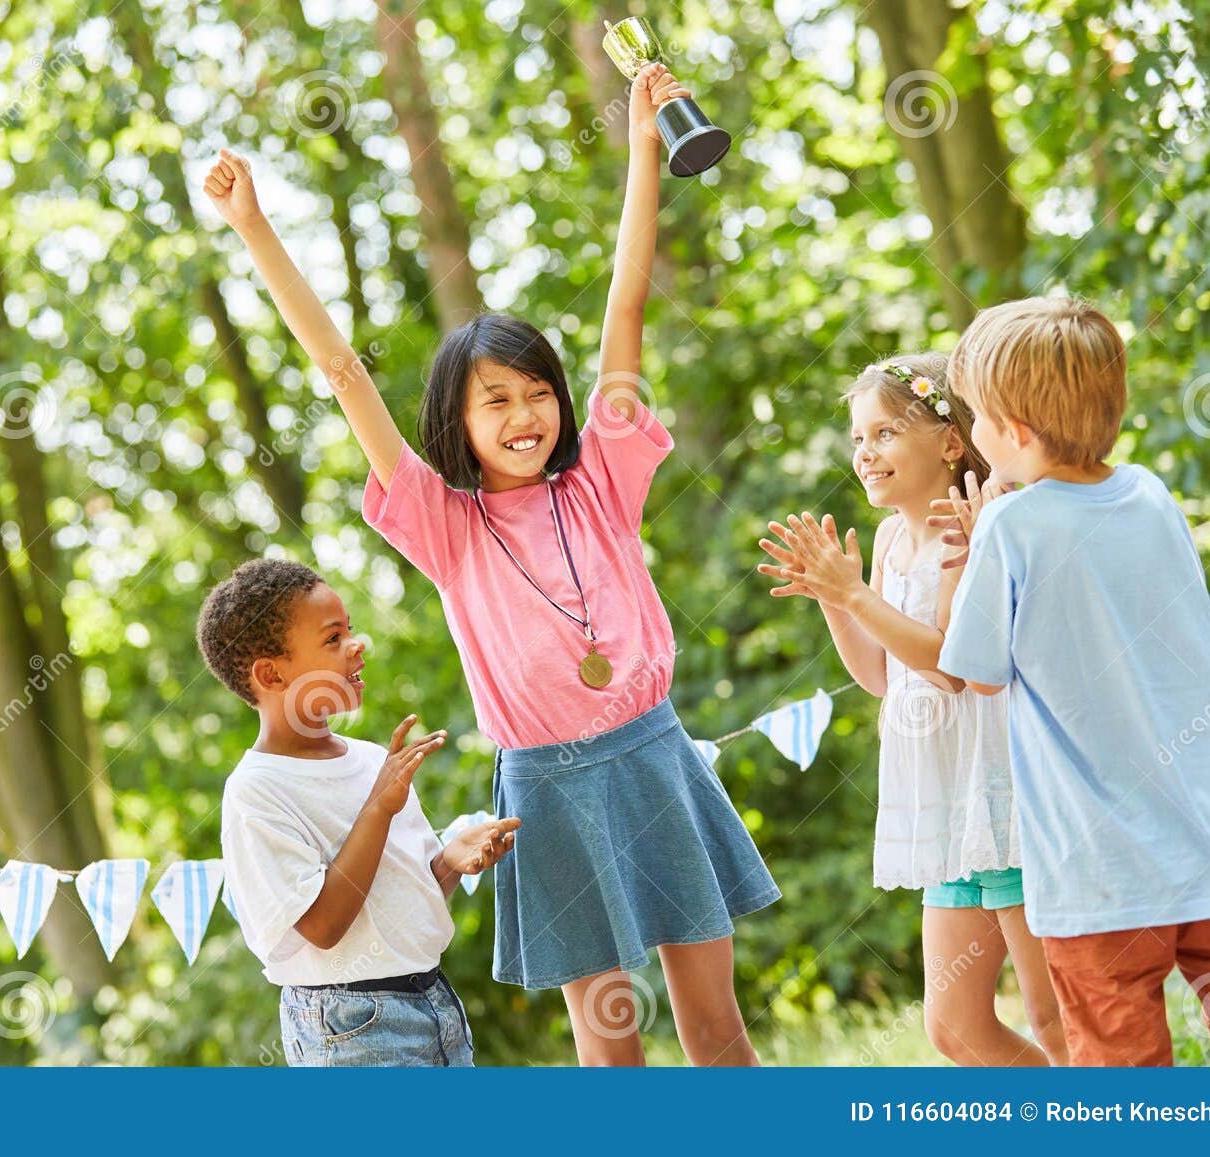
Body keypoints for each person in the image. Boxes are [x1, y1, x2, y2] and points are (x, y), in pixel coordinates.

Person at [203, 63, 779, 1066]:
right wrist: (256, 229)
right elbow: (343, 375)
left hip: (654, 751)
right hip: (547, 786)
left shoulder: (599, 482)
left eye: (536, 392)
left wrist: (643, 145)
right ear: (456, 425)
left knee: (716, 1025)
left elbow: (627, 303)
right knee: (611, 1043)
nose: (524, 415)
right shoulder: (447, 526)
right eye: (495, 400)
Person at [935, 295, 1210, 1066]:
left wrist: (976, 545)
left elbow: (975, 675)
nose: (975, 437)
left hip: (1100, 881)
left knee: (1125, 1089)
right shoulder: (1151, 493)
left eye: (978, 419)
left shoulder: (1009, 527)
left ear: (1015, 432)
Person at [759, 354, 1066, 1065]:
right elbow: (879, 673)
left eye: (885, 432)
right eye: (857, 438)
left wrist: (855, 595)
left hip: (1005, 793)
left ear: (950, 441)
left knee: (1055, 1017)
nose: (866, 452)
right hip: (945, 803)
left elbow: (955, 667)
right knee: (953, 1026)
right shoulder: (894, 540)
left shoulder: (974, 527)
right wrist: (837, 595)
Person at [200, 558, 519, 1066]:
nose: (357, 645)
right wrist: (379, 807)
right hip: (351, 1027)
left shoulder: (372, 761)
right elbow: (324, 927)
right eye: (332, 639)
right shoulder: (256, 792)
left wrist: (448, 866)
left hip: (434, 1001)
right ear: (271, 672)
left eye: (350, 630)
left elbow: (397, 903)